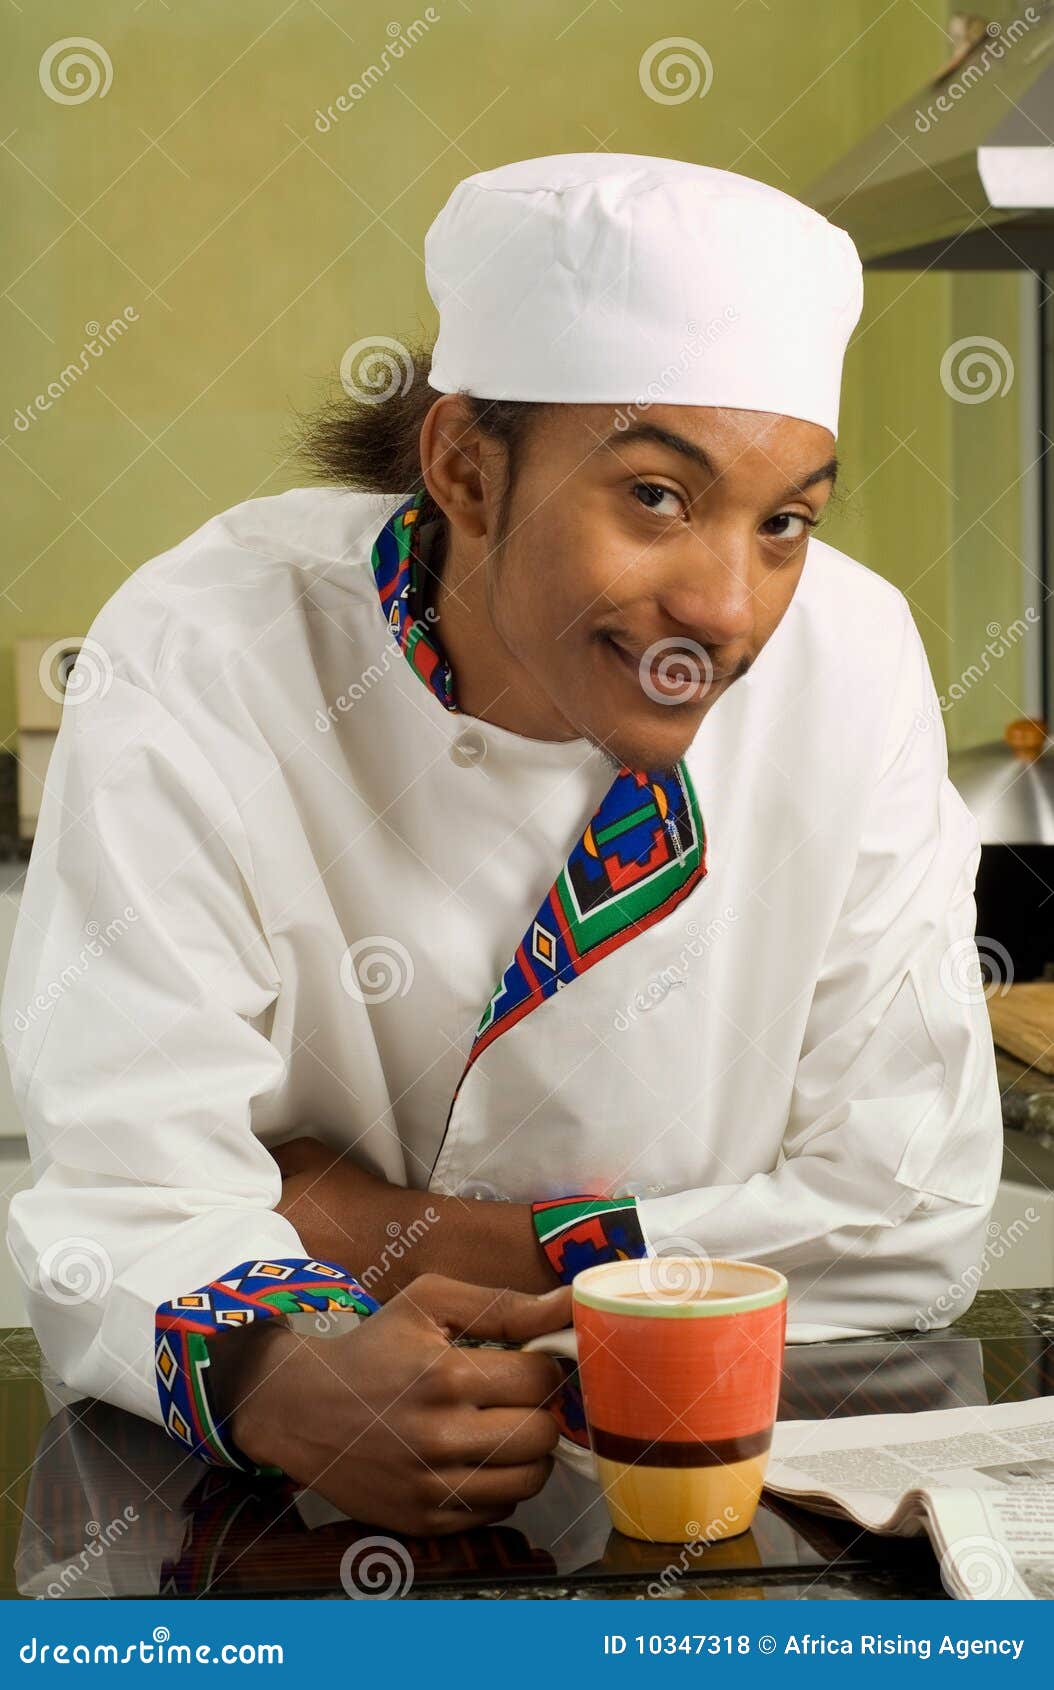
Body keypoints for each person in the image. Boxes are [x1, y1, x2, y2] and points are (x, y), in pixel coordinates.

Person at [3, 153, 1003, 1535]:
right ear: (467, 470)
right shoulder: (210, 651)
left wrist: (369, 1227)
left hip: (696, 1488)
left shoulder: (852, 658)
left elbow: (909, 1220)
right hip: (288, 1522)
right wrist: (279, 1375)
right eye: (656, 496)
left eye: (784, 522)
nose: (727, 605)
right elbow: (121, 1188)